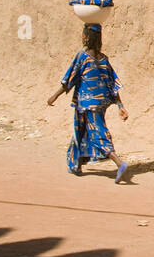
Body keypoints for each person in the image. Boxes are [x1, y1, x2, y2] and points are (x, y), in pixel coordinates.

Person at [46, 24, 131, 183]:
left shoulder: (82, 57)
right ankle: (76, 163)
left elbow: (69, 79)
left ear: (86, 37)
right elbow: (113, 84)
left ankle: (119, 162)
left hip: (87, 103)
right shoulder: (104, 59)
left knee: (97, 132)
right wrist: (120, 105)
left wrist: (54, 96)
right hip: (100, 101)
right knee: (81, 129)